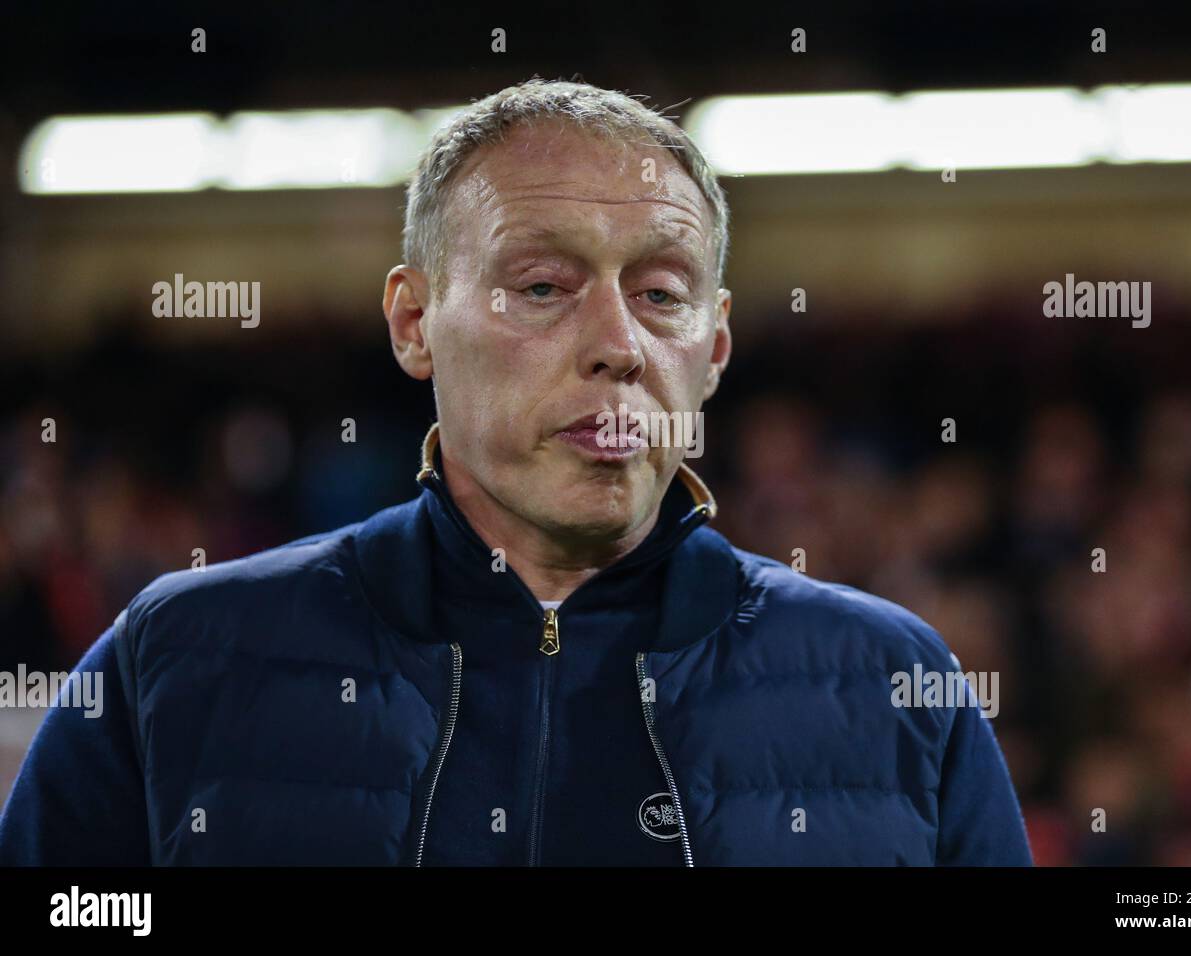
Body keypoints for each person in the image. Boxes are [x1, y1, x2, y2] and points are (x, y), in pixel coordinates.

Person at [0, 78, 1032, 865]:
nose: (618, 342)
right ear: (413, 321)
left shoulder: (898, 686)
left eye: (663, 294)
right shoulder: (174, 661)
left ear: (714, 348)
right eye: (542, 286)